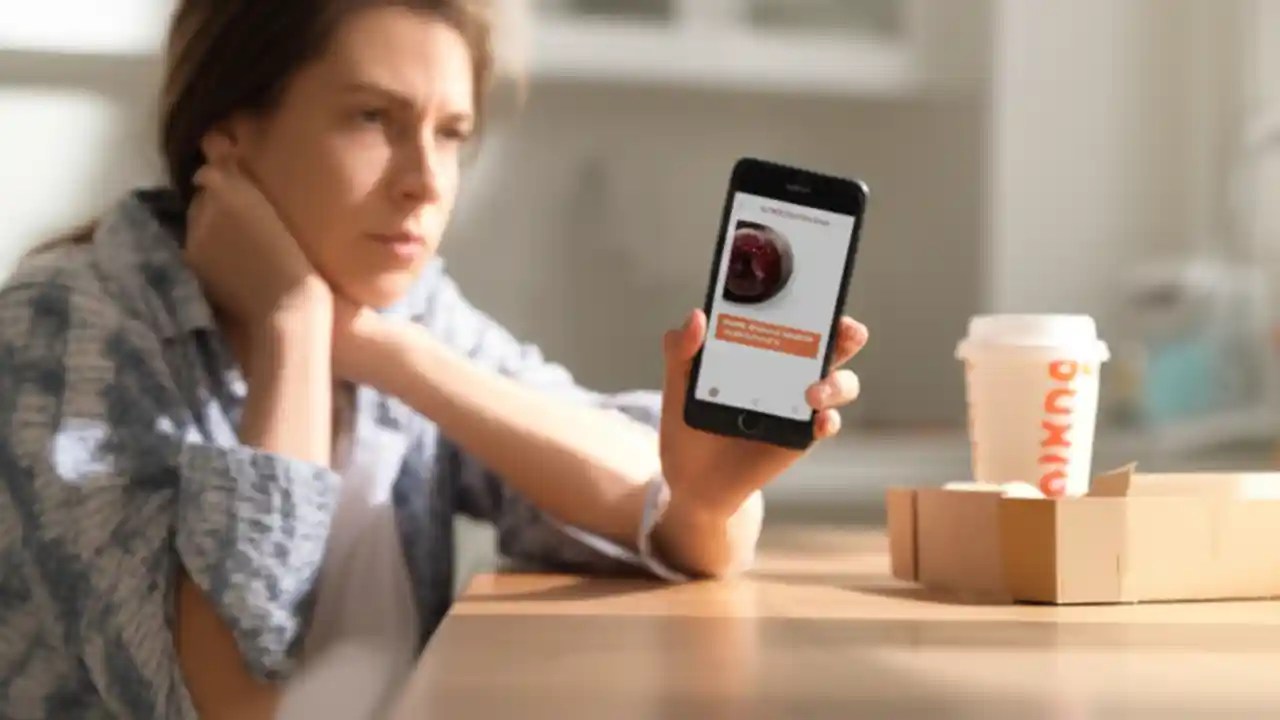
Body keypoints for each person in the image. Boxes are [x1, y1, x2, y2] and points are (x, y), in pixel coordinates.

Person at [0, 1, 869, 718]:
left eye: (451, 132)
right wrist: (293, 327)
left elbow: (668, 513)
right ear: (227, 133)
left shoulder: (401, 310)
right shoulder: (64, 332)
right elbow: (228, 706)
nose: (426, 179)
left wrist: (388, 352)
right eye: (372, 118)